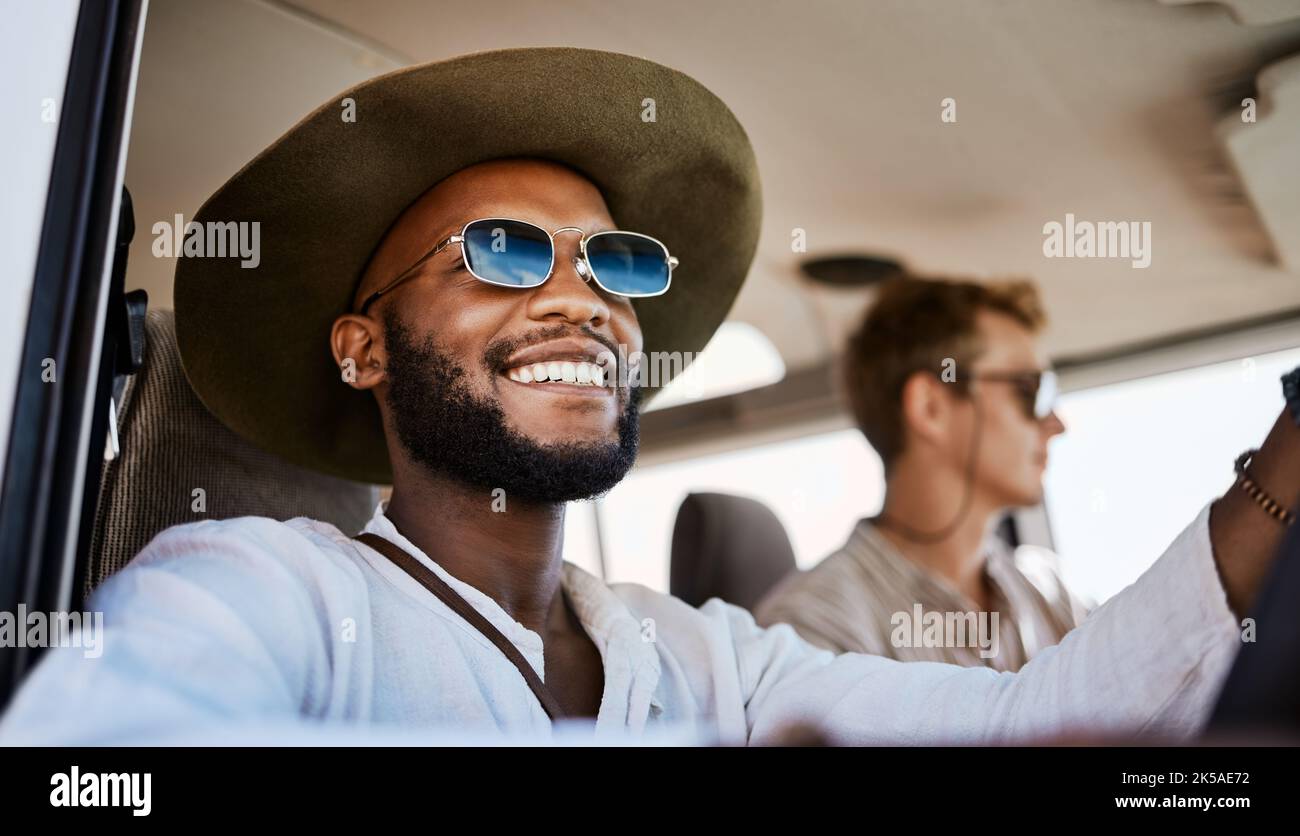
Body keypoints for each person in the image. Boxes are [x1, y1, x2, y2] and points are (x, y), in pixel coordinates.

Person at [2, 47, 1298, 746]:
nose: (583, 300)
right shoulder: (260, 583)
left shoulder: (700, 656)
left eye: (614, 263)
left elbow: (1041, 715)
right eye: (504, 252)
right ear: (362, 348)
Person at [755, 276, 1089, 671]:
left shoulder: (1053, 597)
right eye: (1029, 390)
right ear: (931, 407)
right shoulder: (813, 634)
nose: (1057, 424)